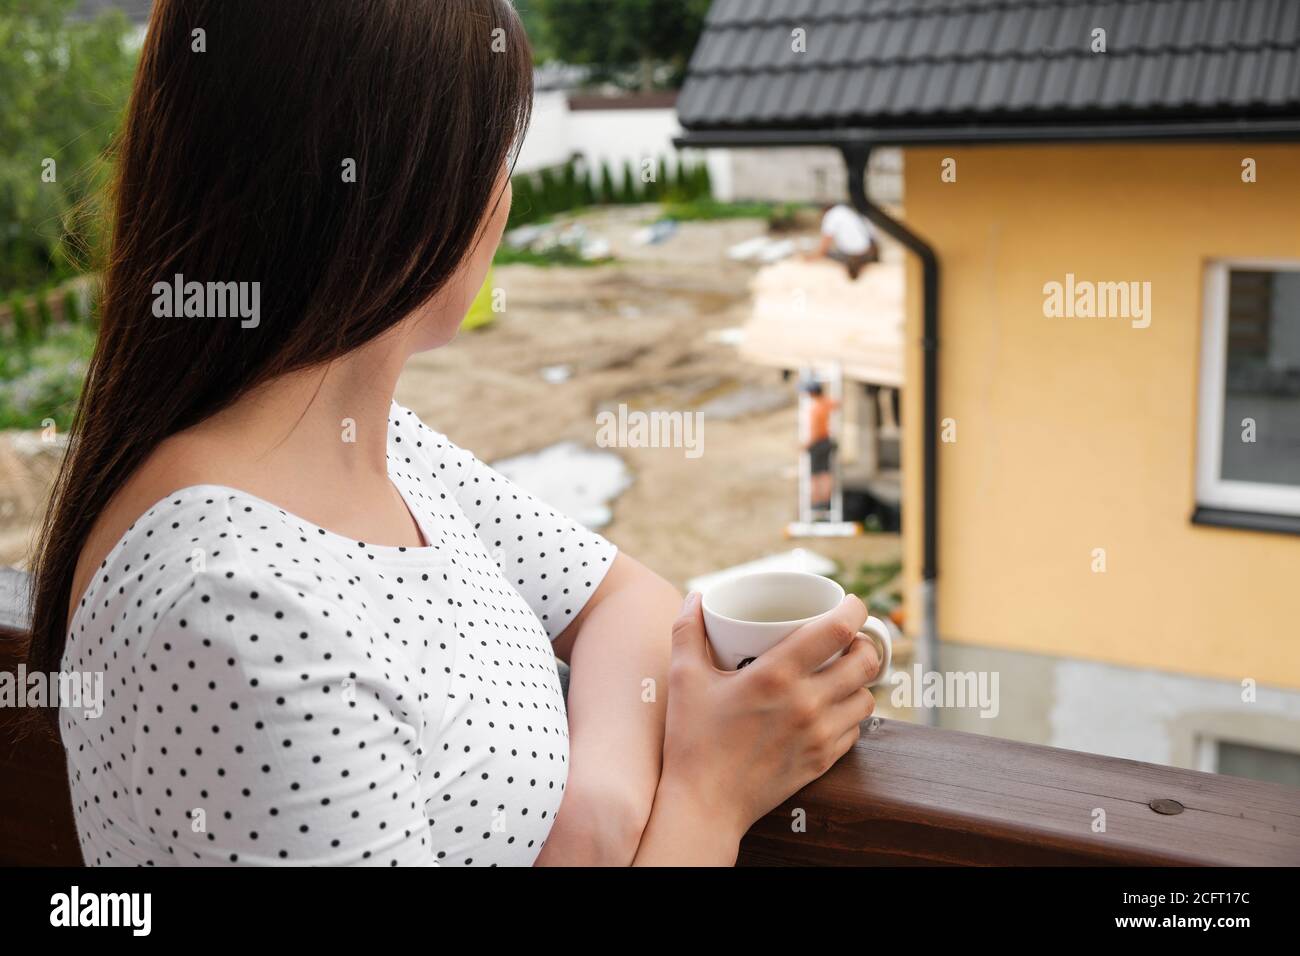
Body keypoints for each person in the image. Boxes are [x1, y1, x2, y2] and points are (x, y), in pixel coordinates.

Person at [24, 0, 880, 868]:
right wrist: (709, 795)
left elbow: (633, 605)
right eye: (495, 162)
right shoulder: (237, 614)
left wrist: (593, 822)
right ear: (414, 201)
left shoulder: (374, 445)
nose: (503, 199)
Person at [807, 202, 879, 279]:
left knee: (828, 254)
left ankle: (852, 262)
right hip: (867, 253)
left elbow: (824, 248)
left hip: (849, 255)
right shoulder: (852, 210)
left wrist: (809, 258)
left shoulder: (832, 214)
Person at [803, 382, 841, 514]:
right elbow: (837, 404)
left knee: (815, 474)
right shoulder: (826, 403)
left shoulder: (815, 409)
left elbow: (815, 431)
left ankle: (817, 502)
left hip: (818, 442)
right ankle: (826, 501)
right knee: (825, 472)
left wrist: (807, 444)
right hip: (827, 441)